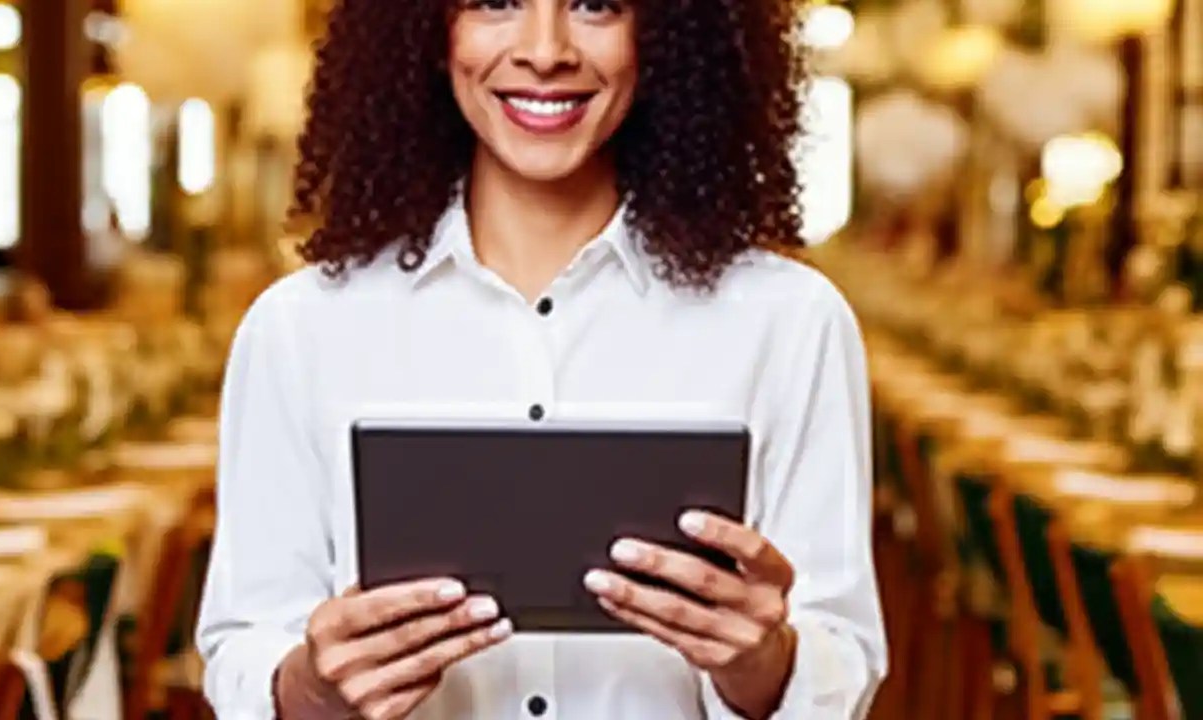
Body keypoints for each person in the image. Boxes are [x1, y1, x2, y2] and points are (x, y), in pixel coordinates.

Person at [195, 0, 887, 718]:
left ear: (668, 34)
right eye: (495, 3)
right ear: (427, 30)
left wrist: (764, 664)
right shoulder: (300, 328)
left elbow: (842, 660)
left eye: (596, 5)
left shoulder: (792, 324)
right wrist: (314, 685)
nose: (545, 49)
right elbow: (245, 651)